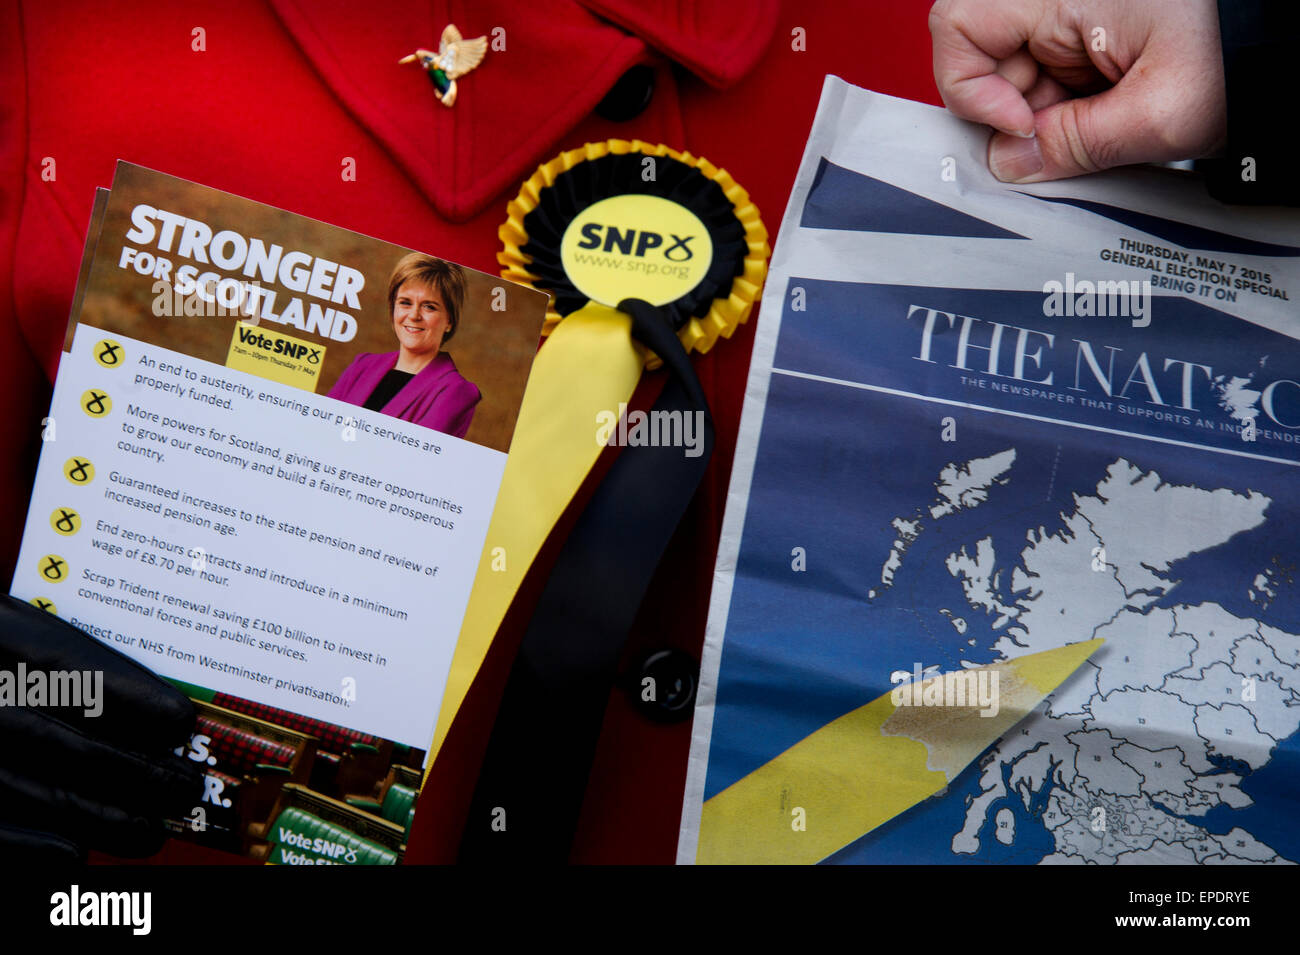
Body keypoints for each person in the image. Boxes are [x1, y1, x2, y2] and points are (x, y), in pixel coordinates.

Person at [328, 253, 480, 438]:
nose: (414, 315)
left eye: (429, 306)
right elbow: (318, 429)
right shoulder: (362, 365)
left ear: (449, 320)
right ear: (394, 309)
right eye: (405, 303)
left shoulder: (457, 392)